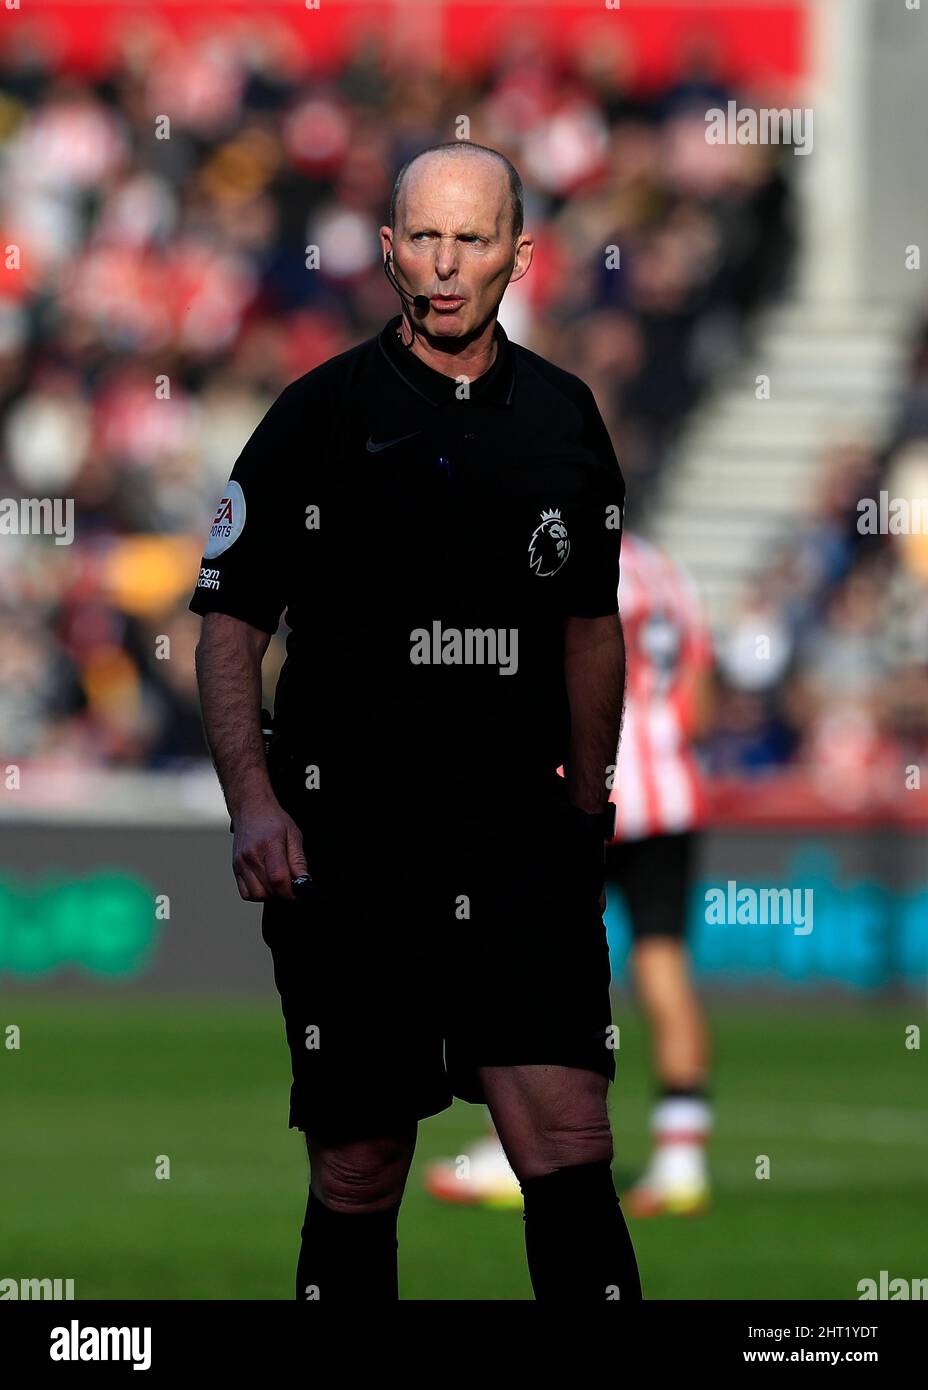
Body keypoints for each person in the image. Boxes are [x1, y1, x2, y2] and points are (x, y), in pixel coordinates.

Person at [188, 139, 641, 1301]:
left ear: (518, 254)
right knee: (359, 1162)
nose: (446, 267)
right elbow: (229, 623)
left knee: (569, 1141)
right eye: (424, 240)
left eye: (472, 239)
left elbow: (592, 627)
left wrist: (587, 798)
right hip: (351, 847)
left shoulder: (563, 422)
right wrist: (253, 803)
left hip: (520, 840)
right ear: (388, 251)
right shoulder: (314, 417)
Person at [425, 532, 715, 1217]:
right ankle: (681, 1159)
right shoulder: (668, 569)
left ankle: (520, 1145)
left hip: (580, 788)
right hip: (670, 789)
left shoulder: (550, 558)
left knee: (536, 971)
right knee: (663, 963)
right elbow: (697, 698)